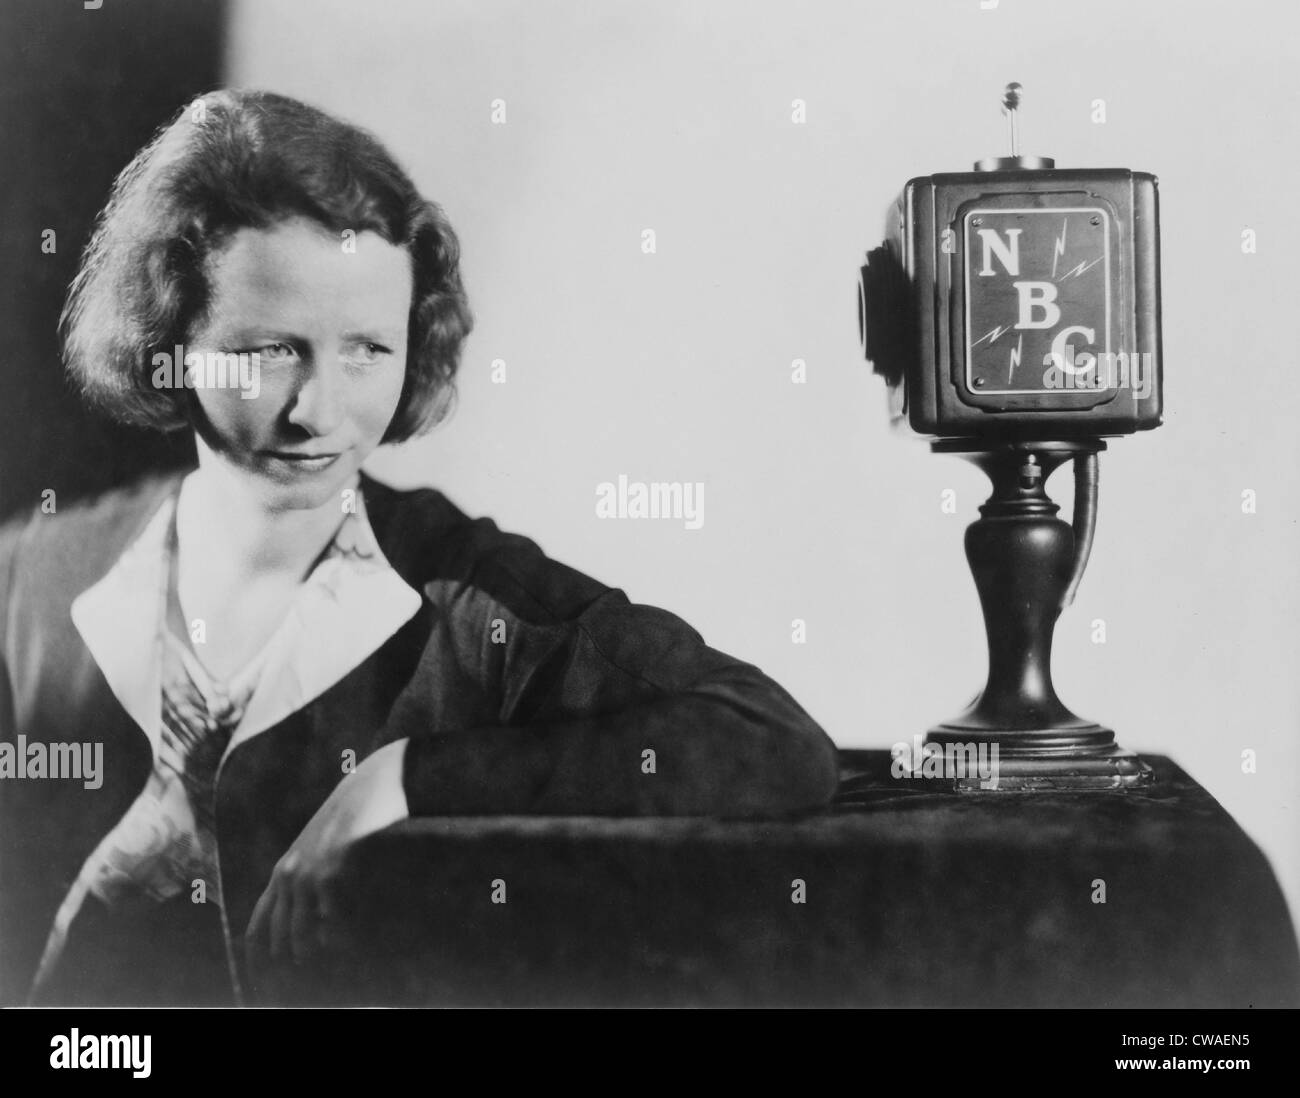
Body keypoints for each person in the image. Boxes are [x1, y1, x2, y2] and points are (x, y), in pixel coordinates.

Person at [0, 89, 839, 1007]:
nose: (320, 411)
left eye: (367, 349)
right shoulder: (30, 582)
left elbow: (772, 741)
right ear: (169, 336)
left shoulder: (479, 600)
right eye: (271, 350)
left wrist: (413, 777)